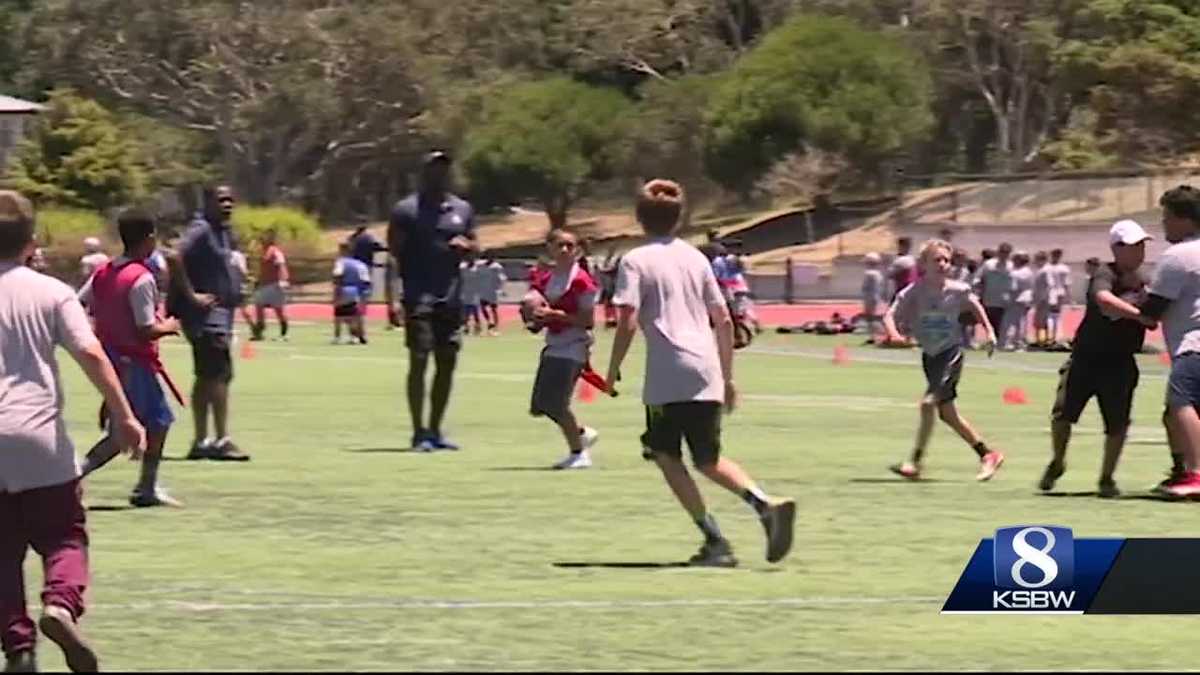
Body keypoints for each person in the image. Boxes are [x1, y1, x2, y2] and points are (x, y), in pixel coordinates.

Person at [604, 179, 796, 568]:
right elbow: (723, 319)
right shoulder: (697, 259)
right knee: (707, 458)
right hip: (706, 366)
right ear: (679, 218)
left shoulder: (635, 261)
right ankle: (763, 503)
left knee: (664, 453)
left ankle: (715, 541)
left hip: (667, 373)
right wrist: (726, 378)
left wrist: (611, 371)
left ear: (639, 218)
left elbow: (626, 321)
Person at [0, 190, 147, 674]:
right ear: (31, 241)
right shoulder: (51, 292)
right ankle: (60, 605)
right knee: (65, 537)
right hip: (40, 439)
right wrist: (124, 416)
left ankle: (18, 650)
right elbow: (90, 352)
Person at [77, 209, 185, 508]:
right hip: (134, 363)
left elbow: (80, 302)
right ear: (149, 238)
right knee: (123, 434)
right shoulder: (141, 278)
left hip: (111, 358)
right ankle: (71, 477)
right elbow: (146, 328)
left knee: (157, 422)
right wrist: (169, 327)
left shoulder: (104, 271)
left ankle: (146, 486)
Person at [1040, 221, 1155, 499]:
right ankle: (1058, 460)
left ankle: (1107, 478)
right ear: (1116, 248)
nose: (1139, 251)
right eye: (1132, 246)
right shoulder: (1105, 273)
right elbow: (1103, 299)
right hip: (1086, 358)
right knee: (1062, 414)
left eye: (1142, 245)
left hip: (1120, 362)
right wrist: (1139, 315)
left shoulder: (1144, 279)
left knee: (1118, 423)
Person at [884, 238, 1005, 482]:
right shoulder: (913, 292)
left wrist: (990, 332)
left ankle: (915, 461)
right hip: (930, 357)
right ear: (923, 264)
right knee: (947, 414)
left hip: (951, 353)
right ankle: (988, 454)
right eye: (936, 259)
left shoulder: (958, 289)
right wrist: (894, 334)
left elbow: (975, 305)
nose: (942, 264)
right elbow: (889, 314)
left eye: (946, 260)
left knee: (929, 404)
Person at [388, 151, 478, 452]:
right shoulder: (406, 210)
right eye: (433, 168)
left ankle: (436, 430)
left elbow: (475, 246)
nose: (439, 173)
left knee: (447, 362)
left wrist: (467, 246)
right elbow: (394, 254)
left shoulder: (461, 209)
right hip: (418, 296)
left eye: (444, 168)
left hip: (451, 296)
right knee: (419, 359)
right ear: (423, 172)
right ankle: (419, 432)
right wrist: (396, 296)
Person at [166, 185, 250, 462]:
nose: (227, 204)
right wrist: (191, 295)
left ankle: (201, 440)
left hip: (220, 315)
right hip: (206, 318)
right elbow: (174, 255)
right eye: (221, 199)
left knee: (206, 377)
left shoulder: (224, 233)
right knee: (220, 375)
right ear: (209, 202)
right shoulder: (201, 229)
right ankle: (221, 439)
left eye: (231, 199)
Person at [1140, 186, 1200, 497]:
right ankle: (1181, 470)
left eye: (1167, 218)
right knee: (1171, 413)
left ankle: (1196, 473)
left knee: (1181, 404)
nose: (1163, 224)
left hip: (1194, 343)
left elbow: (1152, 312)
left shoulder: (1178, 256)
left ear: (1186, 220)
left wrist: (1115, 304)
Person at [527, 230, 601, 469]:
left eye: (570, 246)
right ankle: (580, 433)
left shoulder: (581, 281)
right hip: (555, 344)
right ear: (549, 248)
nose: (565, 250)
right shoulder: (548, 278)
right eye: (560, 245)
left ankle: (579, 453)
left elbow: (587, 320)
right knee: (541, 404)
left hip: (574, 346)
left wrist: (554, 315)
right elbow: (535, 304)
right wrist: (535, 317)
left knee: (557, 403)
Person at [251, 229, 290, 342]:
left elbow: (282, 266)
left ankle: (284, 334)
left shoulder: (276, 252)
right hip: (264, 285)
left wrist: (283, 280)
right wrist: (257, 280)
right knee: (258, 306)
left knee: (279, 311)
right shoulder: (263, 251)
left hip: (274, 285)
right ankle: (259, 332)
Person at [331, 241, 371, 345]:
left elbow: (337, 275)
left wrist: (336, 291)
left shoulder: (341, 262)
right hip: (360, 291)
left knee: (339, 315)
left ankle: (338, 337)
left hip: (346, 289)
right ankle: (359, 335)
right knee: (357, 315)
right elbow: (366, 280)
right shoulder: (360, 264)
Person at [976, 242, 1012, 345]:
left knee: (1001, 324)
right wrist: (978, 291)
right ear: (998, 252)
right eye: (1002, 252)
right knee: (988, 322)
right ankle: (991, 341)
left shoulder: (1010, 266)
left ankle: (998, 343)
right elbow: (979, 278)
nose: (1004, 254)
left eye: (1006, 253)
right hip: (989, 298)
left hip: (1004, 301)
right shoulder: (989, 264)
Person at [1004, 251, 1034, 350]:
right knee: (1023, 321)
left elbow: (1013, 288)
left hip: (1017, 298)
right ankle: (1021, 342)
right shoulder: (1029, 271)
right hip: (1027, 297)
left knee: (1013, 322)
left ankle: (1011, 342)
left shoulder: (1014, 273)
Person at [477, 255, 506, 336]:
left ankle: (496, 328)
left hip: (493, 291)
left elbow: (502, 278)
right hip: (483, 290)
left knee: (494, 309)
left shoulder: (497, 267)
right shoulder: (481, 265)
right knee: (482, 307)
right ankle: (489, 322)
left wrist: (500, 289)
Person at [861, 252, 885, 344]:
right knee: (874, 318)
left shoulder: (869, 273)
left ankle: (874, 336)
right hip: (876, 297)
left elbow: (865, 287)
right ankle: (876, 336)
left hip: (870, 297)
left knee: (870, 318)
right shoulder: (878, 274)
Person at [1048, 248, 1071, 342]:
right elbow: (1067, 284)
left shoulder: (1060, 268)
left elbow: (1067, 283)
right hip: (1057, 292)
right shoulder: (1063, 268)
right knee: (1054, 315)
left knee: (1053, 315)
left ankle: (1054, 335)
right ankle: (1054, 335)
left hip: (1055, 292)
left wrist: (1068, 296)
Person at [1032, 251, 1053, 346]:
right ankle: (1042, 339)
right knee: (1040, 320)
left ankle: (1045, 339)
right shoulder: (1041, 269)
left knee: (1042, 320)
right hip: (1040, 298)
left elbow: (1049, 284)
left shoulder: (1046, 270)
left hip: (1044, 299)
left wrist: (1044, 298)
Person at [460, 257, 484, 337]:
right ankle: (466, 328)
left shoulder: (476, 270)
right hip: (466, 293)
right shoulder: (463, 269)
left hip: (474, 294)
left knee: (475, 312)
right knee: (466, 312)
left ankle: (478, 327)